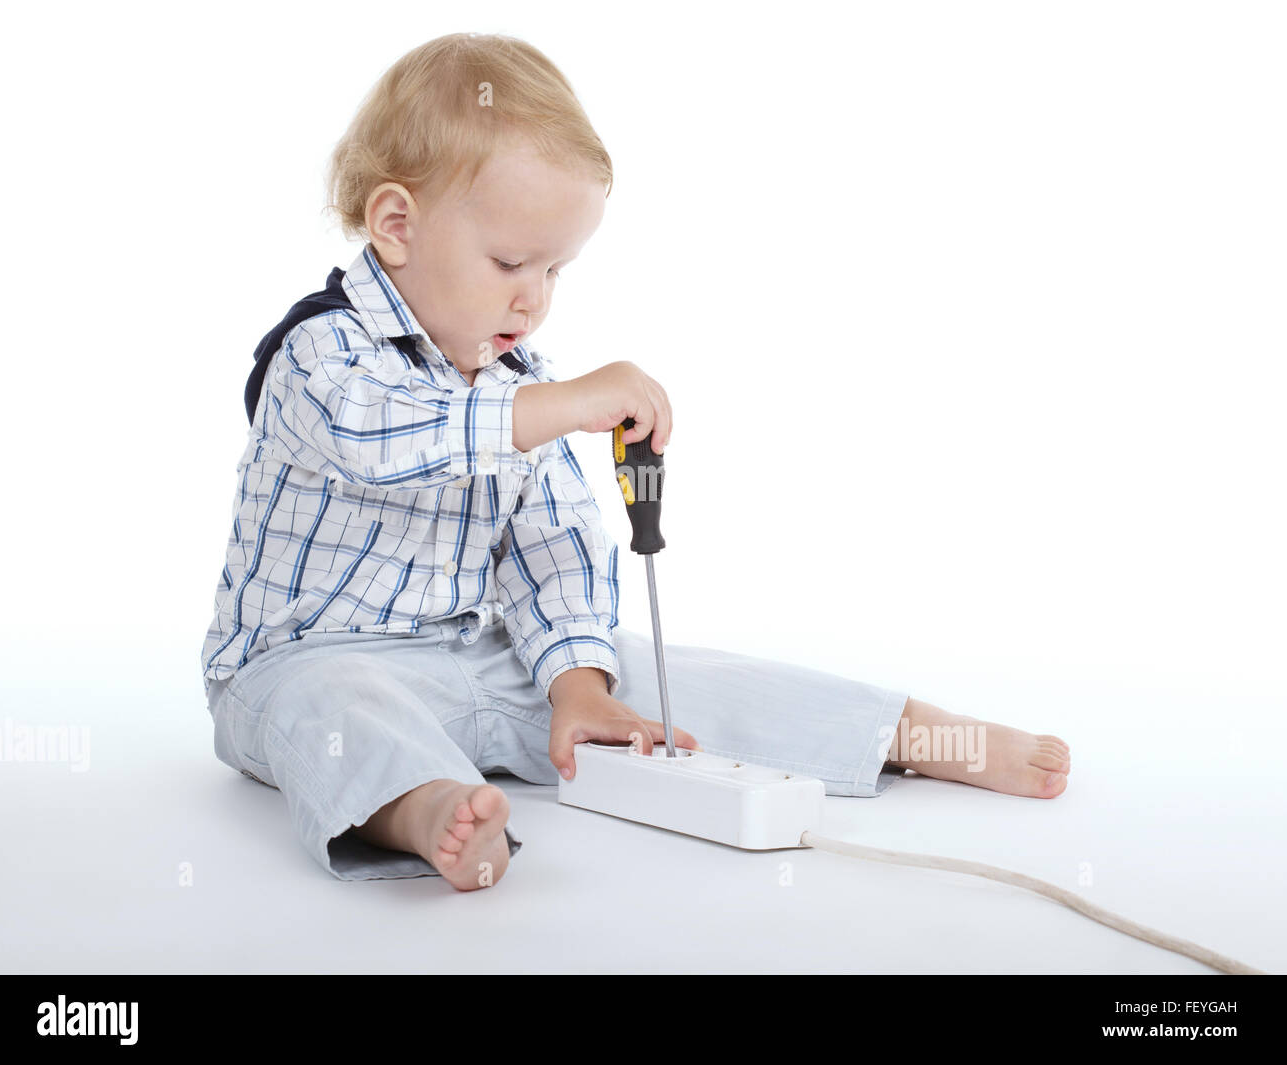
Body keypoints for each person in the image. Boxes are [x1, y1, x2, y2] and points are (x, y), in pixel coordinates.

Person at [201, 33, 1070, 892]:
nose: (533, 298)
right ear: (397, 225)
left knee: (650, 670)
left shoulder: (516, 382)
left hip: (472, 658)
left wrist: (579, 685)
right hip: (294, 663)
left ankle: (907, 734)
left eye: (556, 270)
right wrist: (563, 404)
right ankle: (428, 809)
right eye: (510, 262)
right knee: (339, 707)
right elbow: (385, 437)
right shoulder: (319, 354)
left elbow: (553, 546)